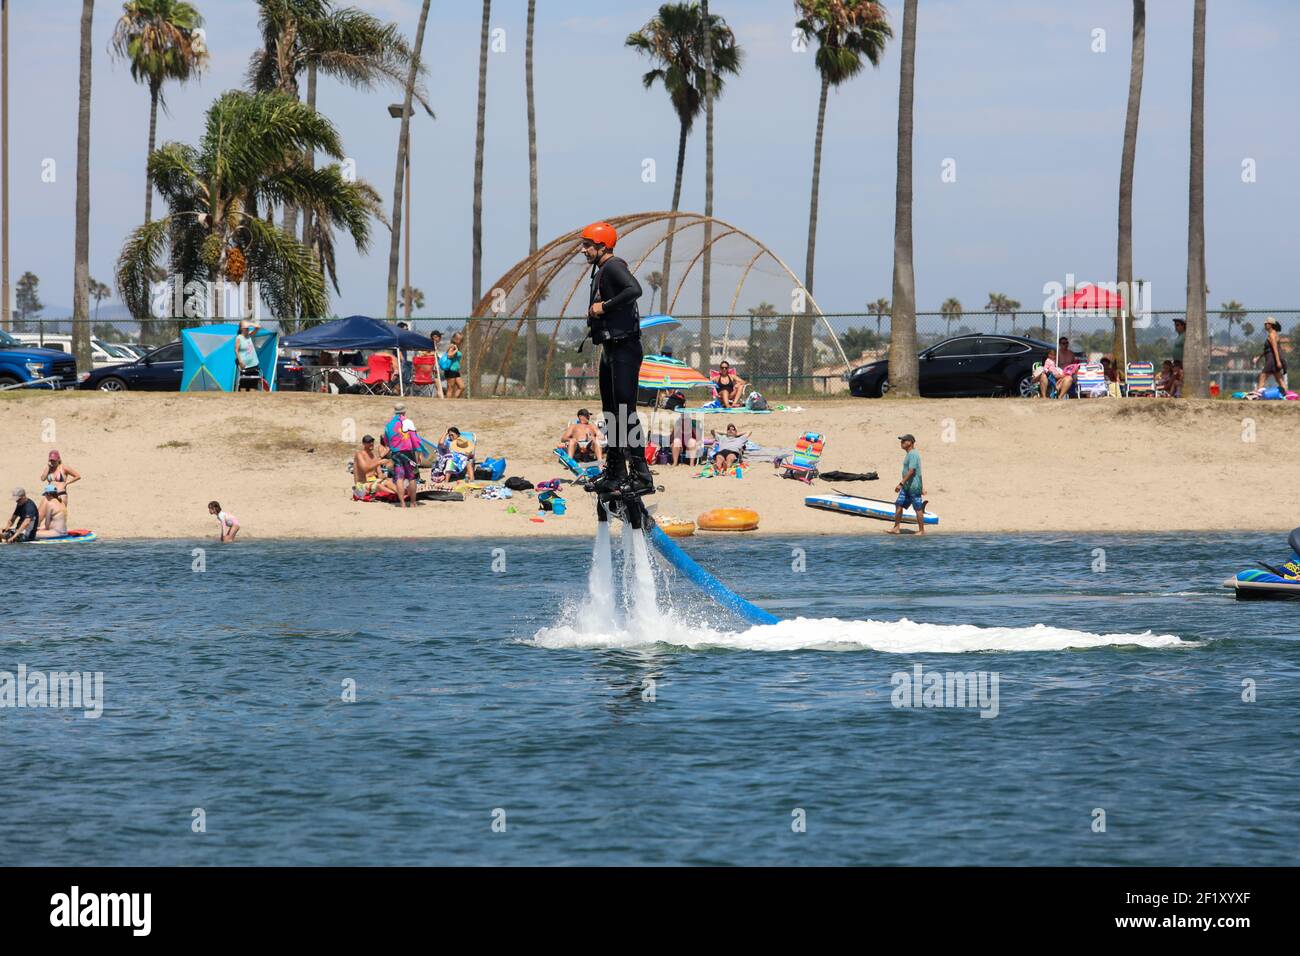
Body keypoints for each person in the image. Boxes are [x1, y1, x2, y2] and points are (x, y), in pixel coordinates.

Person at [580, 221, 653, 498]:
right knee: (611, 413)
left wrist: (604, 307)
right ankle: (615, 474)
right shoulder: (601, 271)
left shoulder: (613, 266)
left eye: (587, 245)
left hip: (624, 349)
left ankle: (641, 476)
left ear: (601, 246)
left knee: (625, 413)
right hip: (610, 349)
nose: (583, 250)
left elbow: (634, 289)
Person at [384, 403, 422, 508]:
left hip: (396, 452)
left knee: (399, 478)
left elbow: (386, 440)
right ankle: (413, 503)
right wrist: (419, 452)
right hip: (408, 452)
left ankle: (402, 504)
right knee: (412, 477)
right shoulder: (408, 422)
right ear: (404, 412)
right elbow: (414, 437)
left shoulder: (388, 425)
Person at [889, 434, 927, 536]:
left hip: (913, 487)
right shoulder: (909, 454)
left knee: (917, 508)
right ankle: (896, 528)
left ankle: (921, 530)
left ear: (910, 442)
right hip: (907, 487)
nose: (901, 443)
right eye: (901, 441)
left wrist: (901, 483)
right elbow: (919, 472)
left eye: (903, 441)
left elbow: (912, 471)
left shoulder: (913, 454)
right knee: (899, 504)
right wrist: (922, 486)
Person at [1254, 318, 1288, 391]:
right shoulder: (1275, 334)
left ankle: (1258, 395)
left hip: (1271, 360)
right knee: (1280, 380)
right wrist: (1259, 357)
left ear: (1271, 325)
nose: (1265, 325)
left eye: (1267, 323)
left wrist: (1278, 361)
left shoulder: (1272, 335)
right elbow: (1268, 349)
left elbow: (1275, 349)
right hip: (1273, 359)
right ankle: (1287, 395)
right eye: (1265, 324)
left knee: (1262, 377)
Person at [236, 322, 261, 391]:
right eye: (245, 328)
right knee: (244, 386)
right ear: (241, 328)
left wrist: (250, 324)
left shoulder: (249, 335)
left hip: (254, 364)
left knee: (253, 386)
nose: (247, 329)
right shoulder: (239, 337)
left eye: (247, 328)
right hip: (245, 366)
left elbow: (258, 327)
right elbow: (236, 350)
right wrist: (240, 362)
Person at [441, 331, 465, 399]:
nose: (459, 341)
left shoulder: (457, 347)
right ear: (454, 339)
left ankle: (454, 400)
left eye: (460, 339)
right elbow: (449, 355)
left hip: (455, 370)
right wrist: (455, 350)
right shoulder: (452, 346)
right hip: (450, 370)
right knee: (450, 388)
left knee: (461, 387)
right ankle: (449, 403)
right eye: (457, 339)